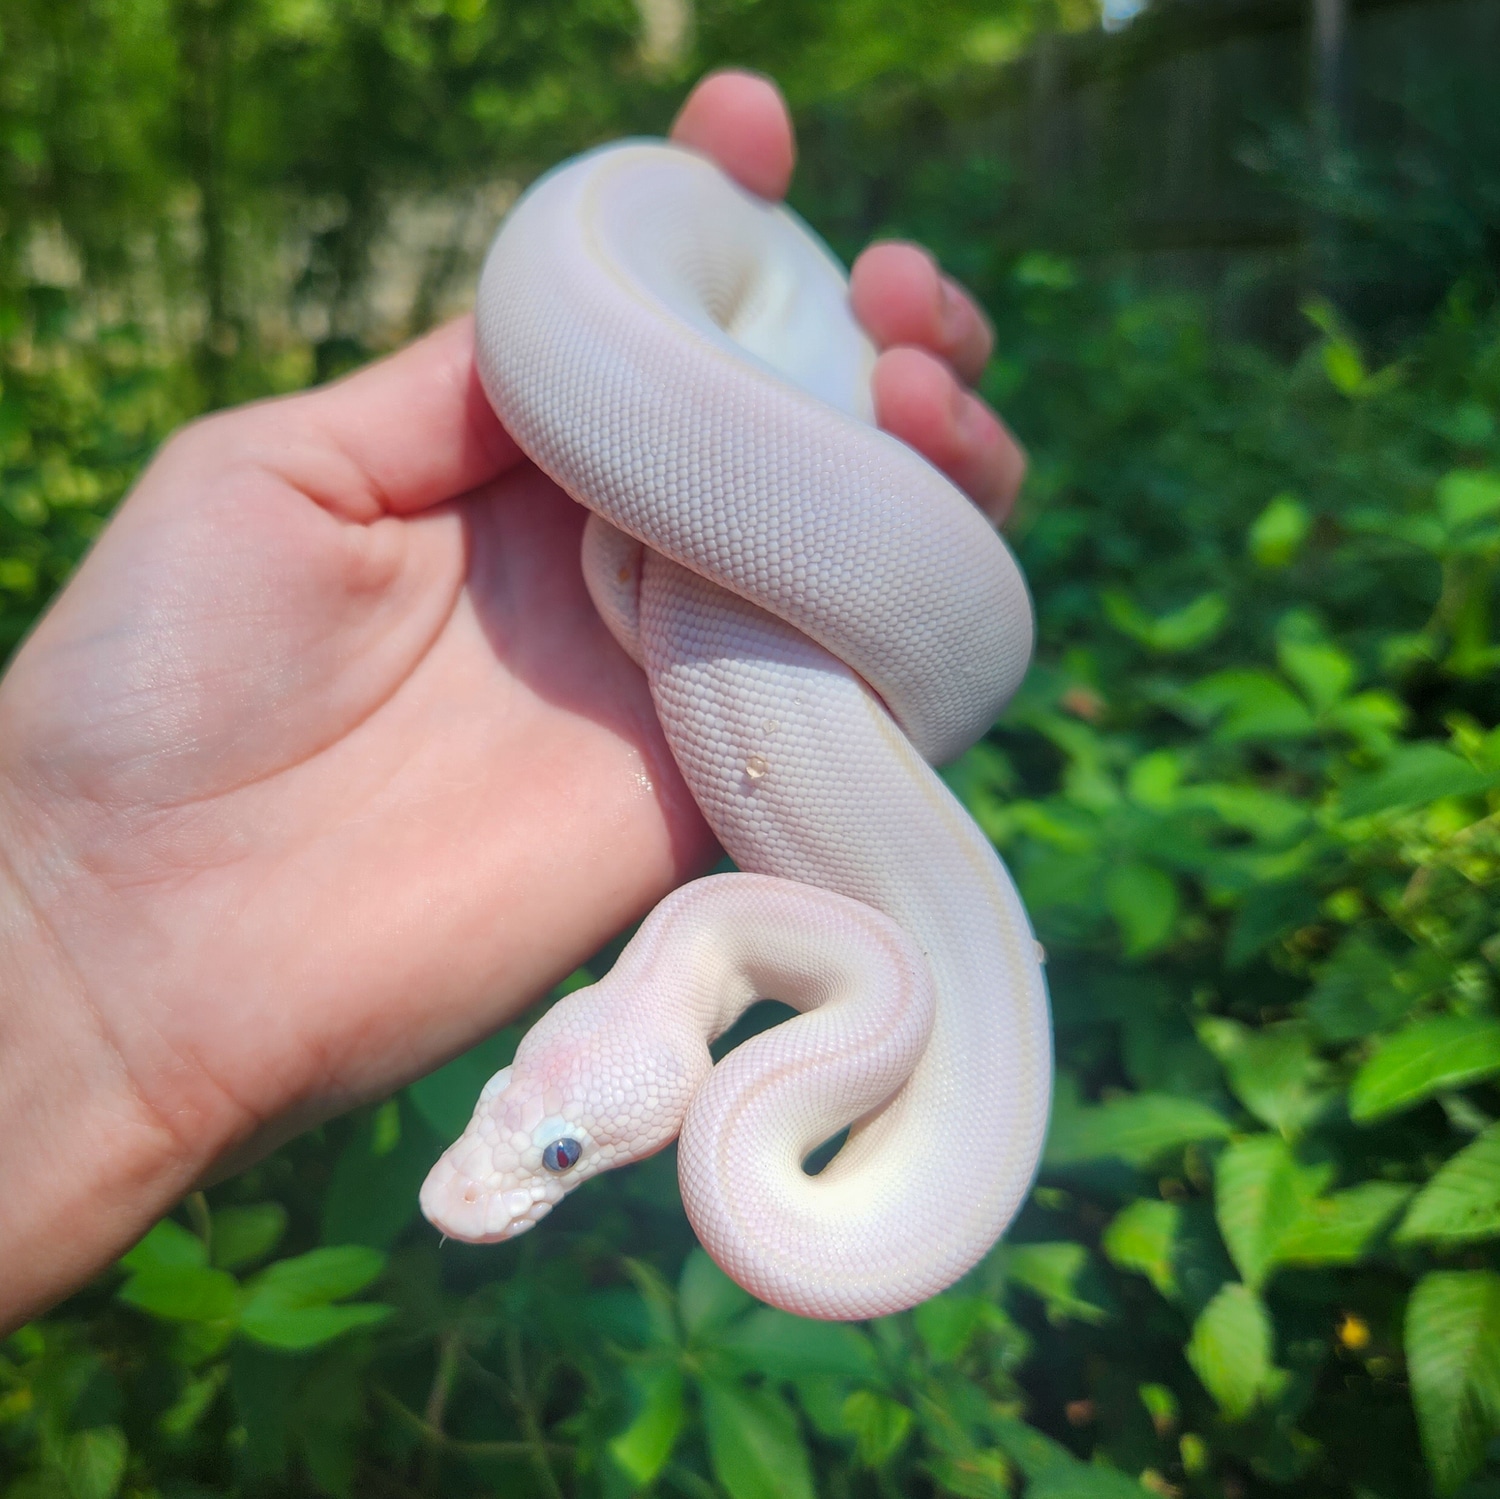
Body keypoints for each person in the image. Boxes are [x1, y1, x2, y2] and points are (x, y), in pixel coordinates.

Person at [0, 70, 1026, 1330]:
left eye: (551, 1151)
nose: (511, 1177)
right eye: (556, 1149)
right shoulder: (829, 978)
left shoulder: (764, 984)